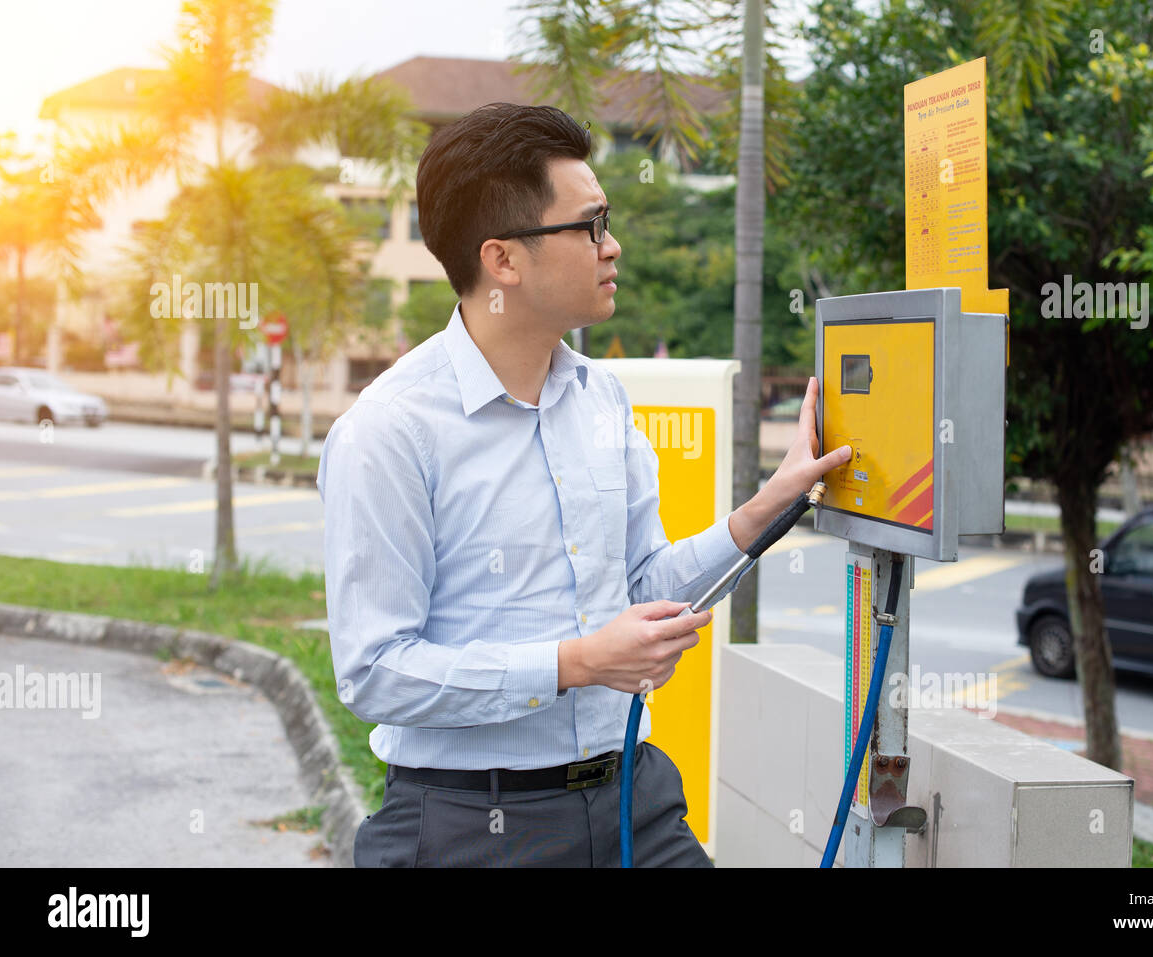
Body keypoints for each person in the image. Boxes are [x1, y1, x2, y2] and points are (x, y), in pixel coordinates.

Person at [317, 102, 851, 867]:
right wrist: (578, 663)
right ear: (503, 261)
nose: (614, 246)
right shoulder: (390, 431)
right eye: (592, 226)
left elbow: (644, 585)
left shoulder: (601, 398)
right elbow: (375, 671)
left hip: (635, 801)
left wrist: (774, 500)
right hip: (473, 825)